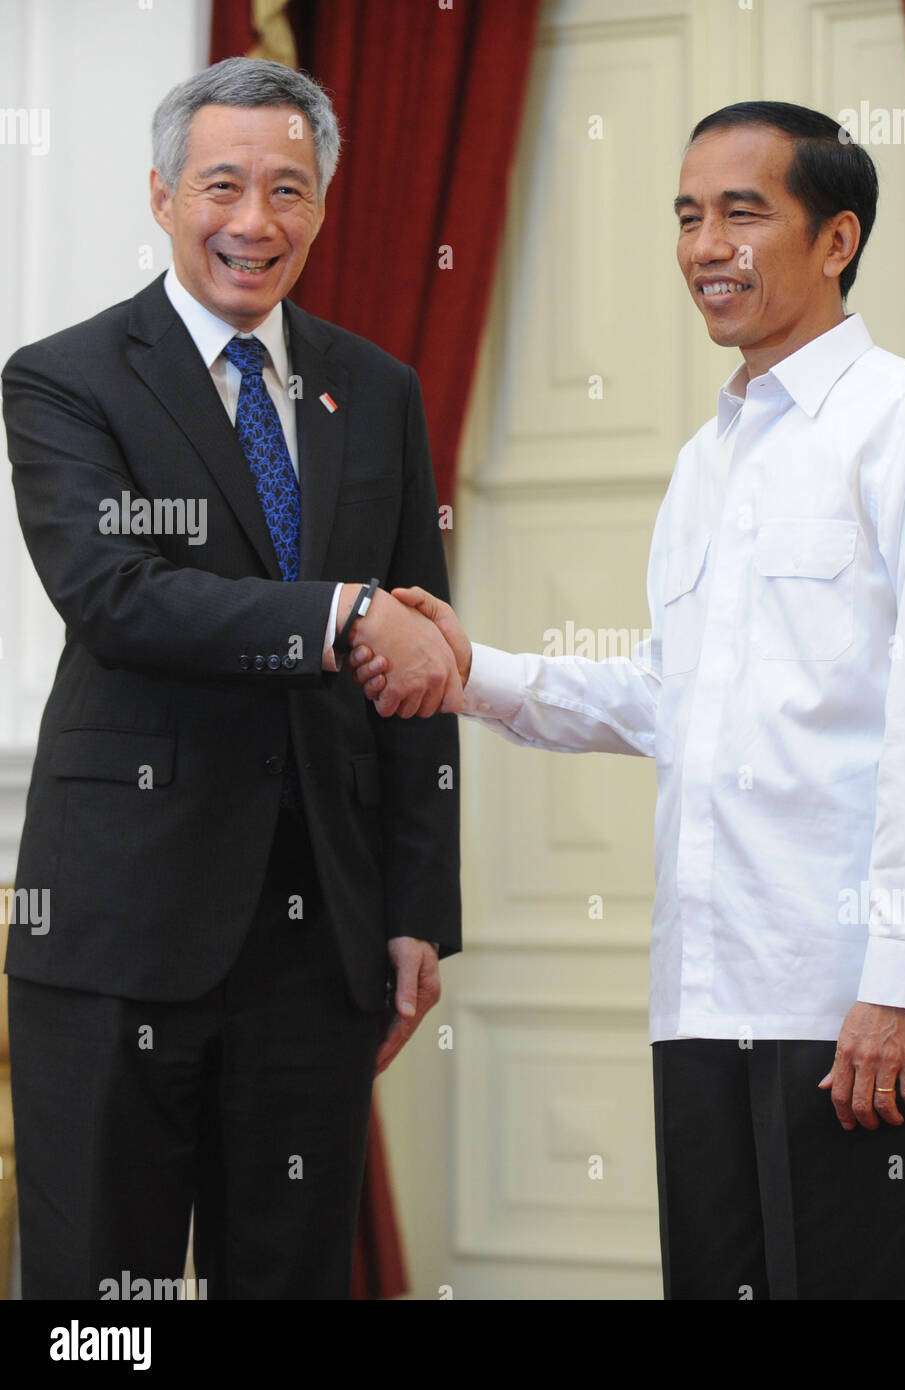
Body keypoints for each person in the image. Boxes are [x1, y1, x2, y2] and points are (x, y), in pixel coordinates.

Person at [355, 101, 905, 1300]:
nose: (707, 244)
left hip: (846, 996)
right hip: (704, 991)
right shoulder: (708, 461)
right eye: (689, 216)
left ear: (838, 237)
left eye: (744, 213)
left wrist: (898, 981)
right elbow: (670, 697)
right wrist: (470, 668)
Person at [3, 57, 463, 1299]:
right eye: (223, 186)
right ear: (161, 194)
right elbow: (118, 595)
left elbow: (416, 653)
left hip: (317, 946)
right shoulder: (64, 379)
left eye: (289, 191)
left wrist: (420, 902)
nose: (254, 223)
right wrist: (339, 611)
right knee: (103, 1303)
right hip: (117, 930)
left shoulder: (379, 390)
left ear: (321, 207)